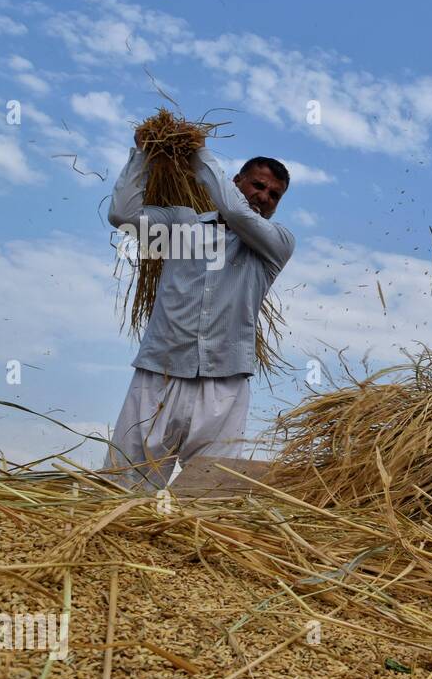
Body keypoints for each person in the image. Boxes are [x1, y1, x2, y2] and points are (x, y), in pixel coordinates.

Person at [103, 125, 294, 490]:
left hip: (224, 383)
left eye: (274, 194)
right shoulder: (181, 224)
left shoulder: (276, 243)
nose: (264, 196)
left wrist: (200, 157)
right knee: (123, 487)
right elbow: (122, 216)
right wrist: (142, 155)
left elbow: (237, 216)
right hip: (160, 370)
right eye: (258, 185)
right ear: (236, 181)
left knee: (208, 496)